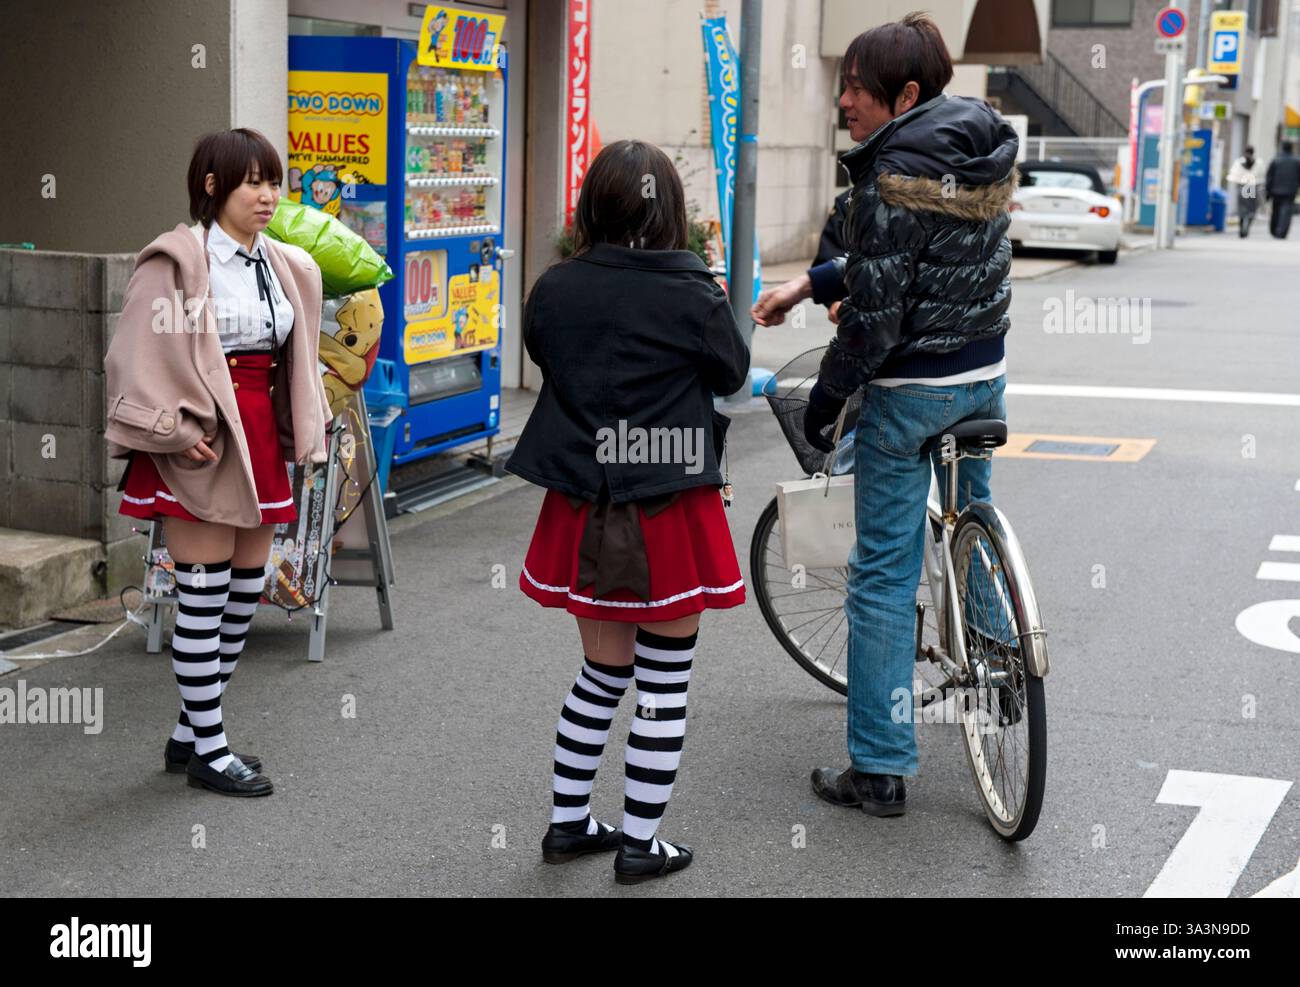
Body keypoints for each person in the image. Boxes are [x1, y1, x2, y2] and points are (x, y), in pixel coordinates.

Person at [751, 13, 1018, 817]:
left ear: (904, 94)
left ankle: (878, 767)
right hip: (985, 374)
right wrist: (811, 282)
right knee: (975, 517)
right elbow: (916, 253)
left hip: (912, 391)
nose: (843, 101)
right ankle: (1000, 674)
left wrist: (829, 400)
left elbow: (876, 318)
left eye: (857, 88)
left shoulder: (893, 165)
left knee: (880, 575)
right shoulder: (977, 145)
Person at [506, 140, 750, 883]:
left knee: (600, 674)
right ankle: (643, 843)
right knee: (665, 681)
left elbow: (547, 357)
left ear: (594, 207)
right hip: (665, 503)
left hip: (583, 500)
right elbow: (732, 372)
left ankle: (569, 823)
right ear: (669, 210)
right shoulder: (694, 293)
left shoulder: (554, 288)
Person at [105, 128, 331, 797]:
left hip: (259, 434)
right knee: (201, 596)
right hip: (199, 440)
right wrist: (168, 429)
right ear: (212, 186)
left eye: (273, 182)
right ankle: (211, 748)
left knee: (240, 596)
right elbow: (133, 355)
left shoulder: (281, 261)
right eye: (252, 182)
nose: (267, 196)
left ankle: (189, 734)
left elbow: (294, 350)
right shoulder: (177, 261)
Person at [1265, 141, 1300, 239]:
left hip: (1275, 190)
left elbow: (1269, 177)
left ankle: (1274, 230)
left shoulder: (1276, 160)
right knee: (1286, 211)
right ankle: (1281, 232)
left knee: (1276, 211)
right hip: (1290, 191)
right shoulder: (1296, 161)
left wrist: (1268, 191)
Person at [1226, 145, 1260, 238]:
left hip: (1242, 187)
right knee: (1251, 210)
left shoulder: (1238, 162)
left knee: (1242, 210)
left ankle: (1241, 229)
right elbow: (1262, 175)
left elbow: (1233, 175)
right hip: (1252, 187)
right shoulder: (1258, 162)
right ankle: (1247, 227)